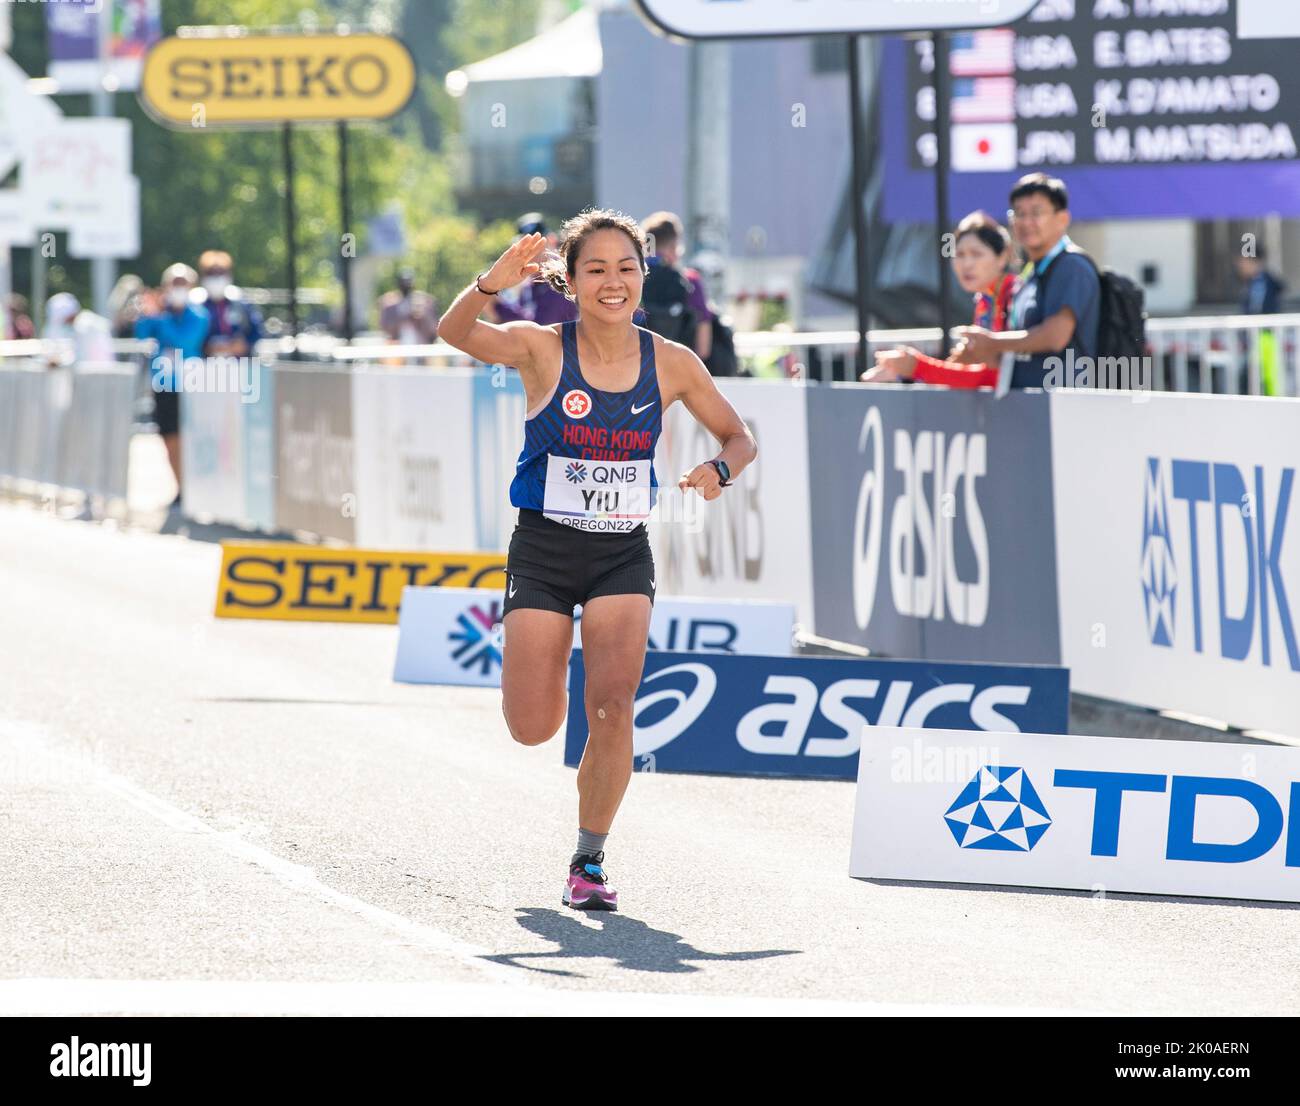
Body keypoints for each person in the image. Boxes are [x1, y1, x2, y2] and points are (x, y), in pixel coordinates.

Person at [436, 209, 756, 911]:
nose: (614, 283)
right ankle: (533, 663)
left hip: (621, 553)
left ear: (644, 274)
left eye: (626, 269)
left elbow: (739, 438)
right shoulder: (542, 348)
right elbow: (454, 333)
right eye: (596, 270)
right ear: (572, 282)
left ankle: (589, 860)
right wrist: (492, 281)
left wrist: (718, 472)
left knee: (612, 708)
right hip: (545, 549)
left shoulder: (672, 361)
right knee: (532, 727)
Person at [954, 173, 1100, 390]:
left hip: (1065, 410)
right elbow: (1021, 348)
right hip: (1031, 409)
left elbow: (1054, 337)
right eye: (1019, 213)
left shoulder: (1072, 266)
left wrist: (992, 343)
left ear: (1062, 219)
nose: (1026, 222)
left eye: (1036, 212)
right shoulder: (1031, 275)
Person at [863, 212, 1017, 389]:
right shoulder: (985, 299)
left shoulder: (1013, 294)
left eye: (976, 254)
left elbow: (994, 377)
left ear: (1003, 257)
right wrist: (901, 373)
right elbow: (968, 369)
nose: (966, 264)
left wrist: (916, 367)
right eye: (959, 254)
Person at [135, 264, 209, 506]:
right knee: (169, 437)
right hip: (165, 383)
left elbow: (184, 340)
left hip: (191, 384)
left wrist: (161, 320)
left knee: (191, 437)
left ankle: (199, 487)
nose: (177, 289)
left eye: (182, 283)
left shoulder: (197, 314)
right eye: (173, 283)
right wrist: (150, 314)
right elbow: (142, 335)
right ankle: (181, 487)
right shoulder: (158, 315)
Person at [639, 211, 715, 364]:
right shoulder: (690, 281)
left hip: (639, 370)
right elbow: (703, 348)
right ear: (674, 247)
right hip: (680, 369)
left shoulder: (633, 279)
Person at [490, 214, 578, 327]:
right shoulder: (529, 283)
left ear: (551, 240)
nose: (532, 250)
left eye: (537, 243)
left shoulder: (563, 277)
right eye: (525, 244)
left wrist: (498, 306)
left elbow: (542, 327)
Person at [1235, 242, 1285, 395]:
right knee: (1250, 380)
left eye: (1242, 260)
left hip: (1266, 337)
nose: (1239, 264)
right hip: (1253, 338)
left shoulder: (1268, 282)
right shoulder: (1250, 283)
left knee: (1268, 381)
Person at [198, 250, 264, 359]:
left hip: (239, 367)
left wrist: (243, 344)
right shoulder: (197, 306)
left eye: (220, 272)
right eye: (211, 273)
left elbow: (257, 330)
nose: (216, 278)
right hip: (204, 367)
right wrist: (206, 346)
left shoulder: (241, 303)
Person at [378, 268, 439, 345]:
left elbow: (434, 329)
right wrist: (402, 317)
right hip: (397, 348)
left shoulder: (425, 301)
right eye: (403, 283)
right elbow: (385, 328)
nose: (405, 286)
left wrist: (421, 316)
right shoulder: (389, 304)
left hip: (422, 346)